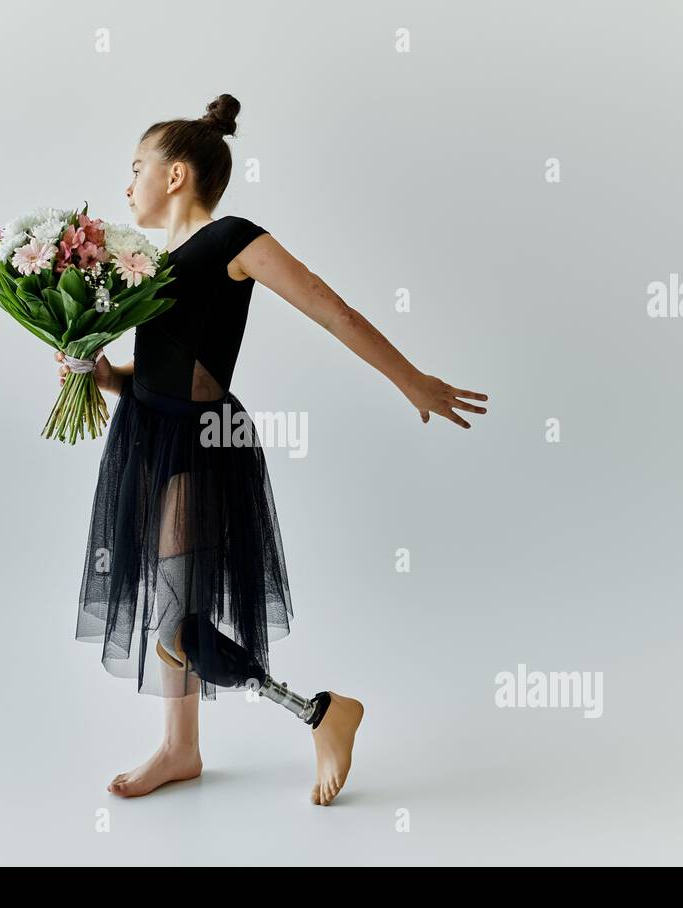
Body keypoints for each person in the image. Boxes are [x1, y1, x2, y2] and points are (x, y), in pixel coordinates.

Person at [62, 93, 488, 806]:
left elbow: (330, 306)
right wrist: (103, 375)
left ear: (174, 177)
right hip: (149, 430)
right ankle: (182, 748)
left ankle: (320, 712)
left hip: (199, 442)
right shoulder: (153, 263)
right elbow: (167, 365)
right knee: (176, 610)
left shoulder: (234, 238)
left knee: (181, 620)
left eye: (136, 167)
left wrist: (410, 380)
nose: (125, 182)